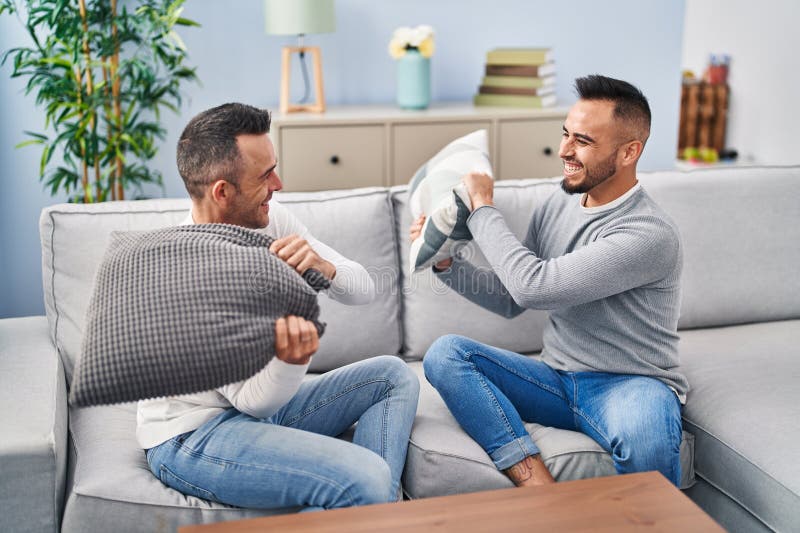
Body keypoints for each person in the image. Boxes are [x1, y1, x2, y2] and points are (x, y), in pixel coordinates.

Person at [137, 103, 419, 511]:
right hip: (193, 436)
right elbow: (253, 400)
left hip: (257, 415)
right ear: (222, 191)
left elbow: (364, 290)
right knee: (368, 477)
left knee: (393, 376)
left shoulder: (268, 220)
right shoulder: (186, 275)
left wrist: (323, 268)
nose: (279, 183)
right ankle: (375, 503)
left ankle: (372, 507)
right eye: (265, 175)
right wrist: (294, 355)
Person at [416, 75, 687, 487]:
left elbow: (534, 286)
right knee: (446, 355)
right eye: (565, 135)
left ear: (630, 151)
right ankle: (535, 483)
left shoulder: (648, 234)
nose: (564, 151)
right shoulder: (557, 204)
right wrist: (446, 264)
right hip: (556, 380)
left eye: (583, 141)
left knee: (648, 444)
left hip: (631, 384)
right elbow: (512, 298)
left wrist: (483, 209)